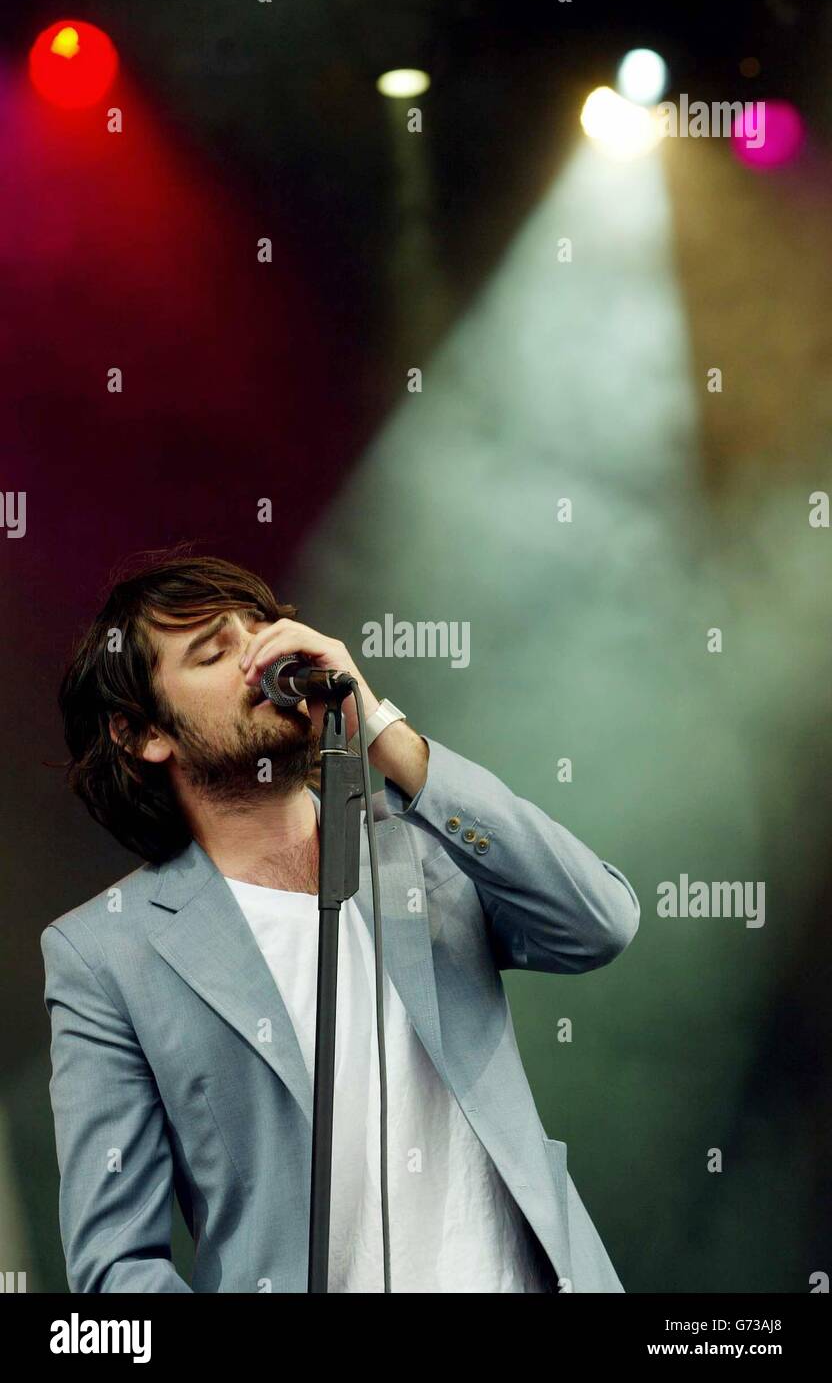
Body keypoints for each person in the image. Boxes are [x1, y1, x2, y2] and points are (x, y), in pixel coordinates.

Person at [43, 552, 640, 1293]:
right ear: (141, 734)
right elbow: (115, 1267)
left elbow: (598, 922)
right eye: (214, 653)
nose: (262, 657)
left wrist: (382, 730)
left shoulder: (425, 846)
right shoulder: (107, 953)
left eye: (260, 628)